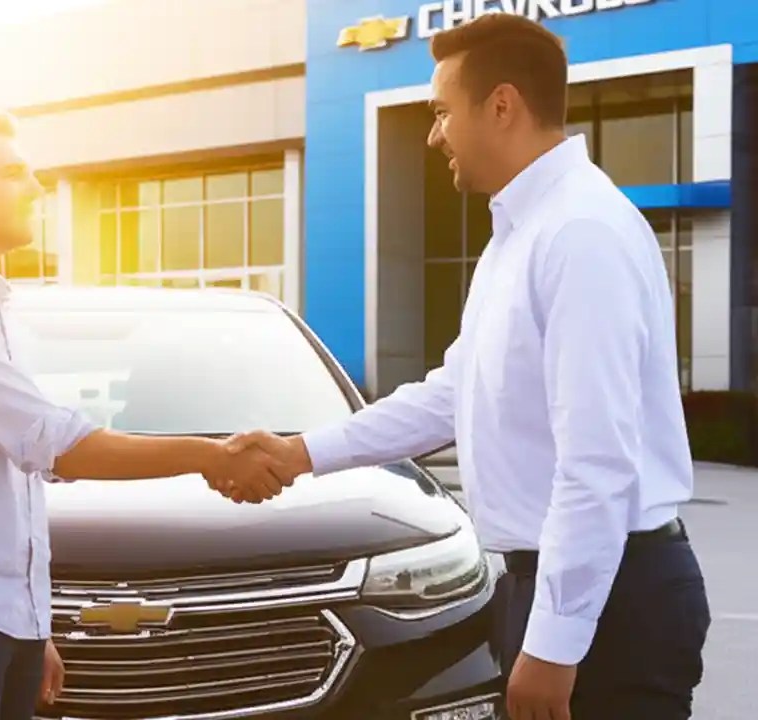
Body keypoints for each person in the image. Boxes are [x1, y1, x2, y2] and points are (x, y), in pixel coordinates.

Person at [227, 13, 710, 720]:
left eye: (442, 112)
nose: (434, 136)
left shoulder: (581, 233)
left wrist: (555, 645)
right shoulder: (518, 236)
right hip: (553, 585)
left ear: (502, 105)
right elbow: (452, 394)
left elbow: (597, 461)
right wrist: (300, 453)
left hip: (612, 604)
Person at [0, 111, 297, 720]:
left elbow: (11, 483)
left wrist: (32, 624)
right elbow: (53, 442)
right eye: (13, 172)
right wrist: (209, 456)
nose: (35, 188)